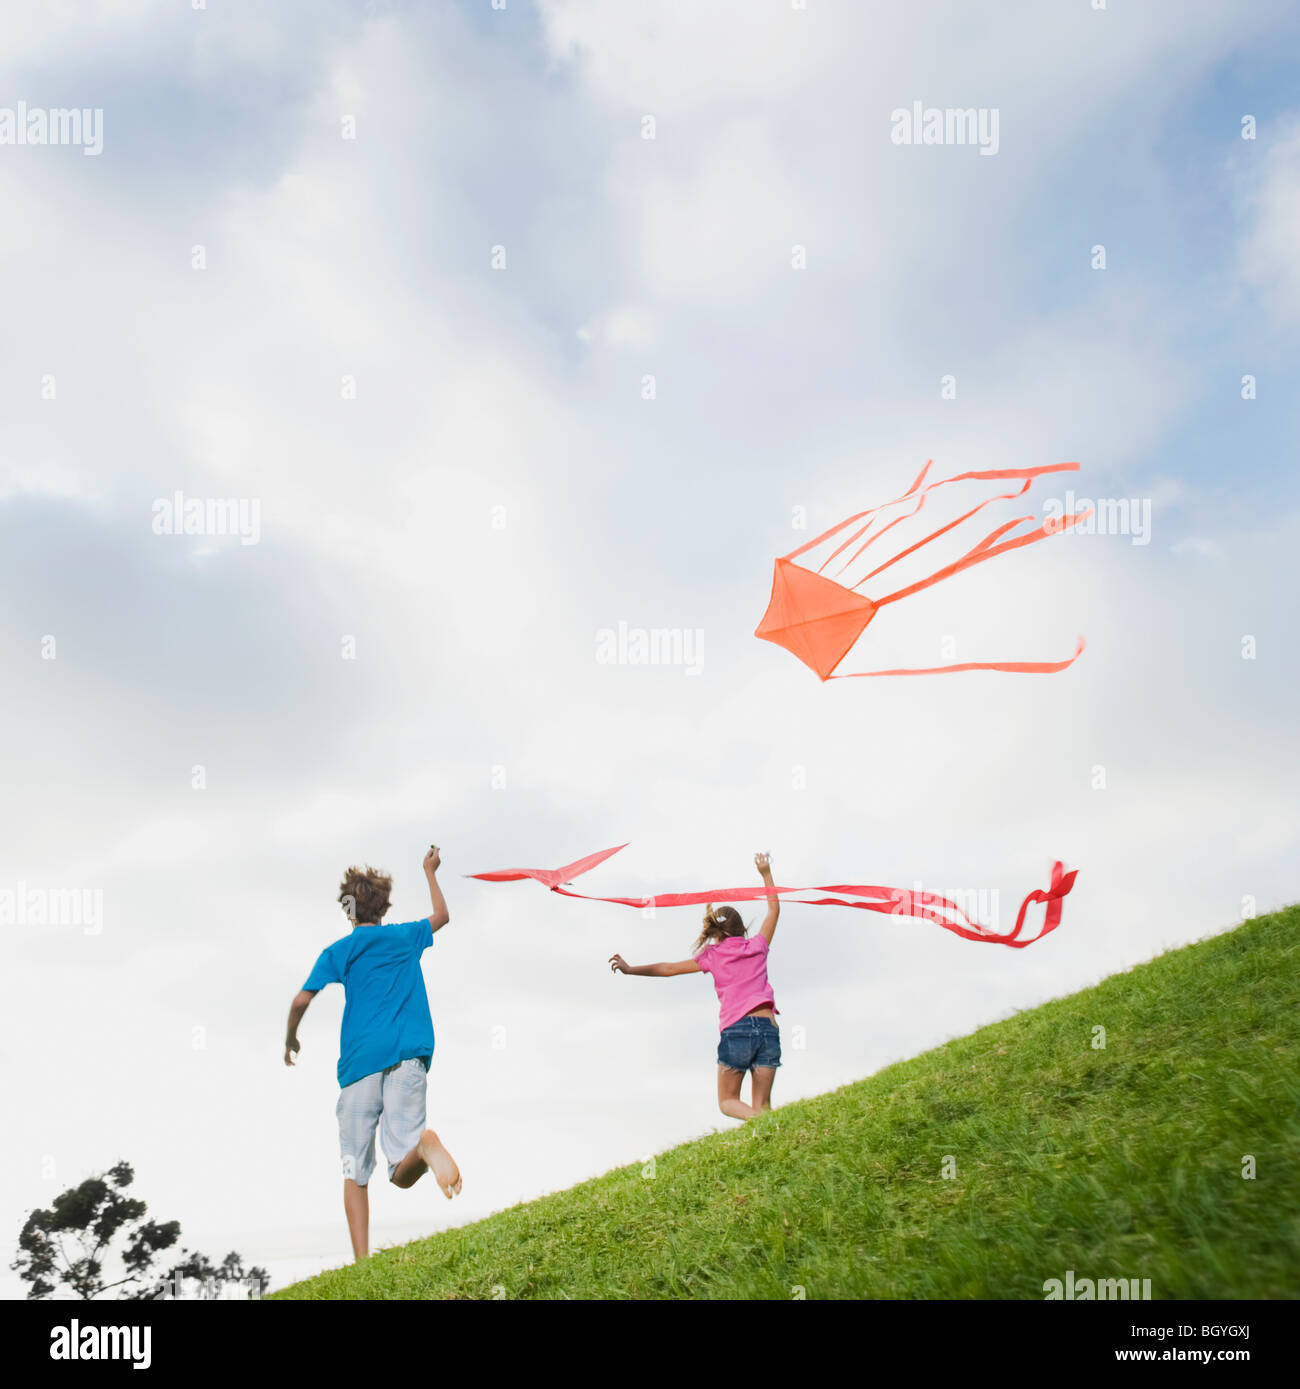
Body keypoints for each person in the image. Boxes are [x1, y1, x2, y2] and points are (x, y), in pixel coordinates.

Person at [284, 844, 461, 1262]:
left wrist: (291, 1039)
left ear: (349, 910)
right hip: (407, 1055)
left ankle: (362, 1262)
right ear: (384, 907)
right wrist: (430, 872)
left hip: (360, 1065)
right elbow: (443, 917)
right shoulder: (404, 936)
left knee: (355, 1172)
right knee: (401, 1168)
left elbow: (299, 1002)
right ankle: (423, 1147)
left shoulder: (339, 951)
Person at [609, 852, 781, 1120]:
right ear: (740, 930)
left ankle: (767, 1124)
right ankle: (771, 1130)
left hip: (738, 1030)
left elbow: (668, 970)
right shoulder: (757, 946)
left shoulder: (713, 956)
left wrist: (631, 970)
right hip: (768, 1029)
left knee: (727, 1101)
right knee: (762, 1106)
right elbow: (774, 910)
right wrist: (766, 873)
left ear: (719, 935)